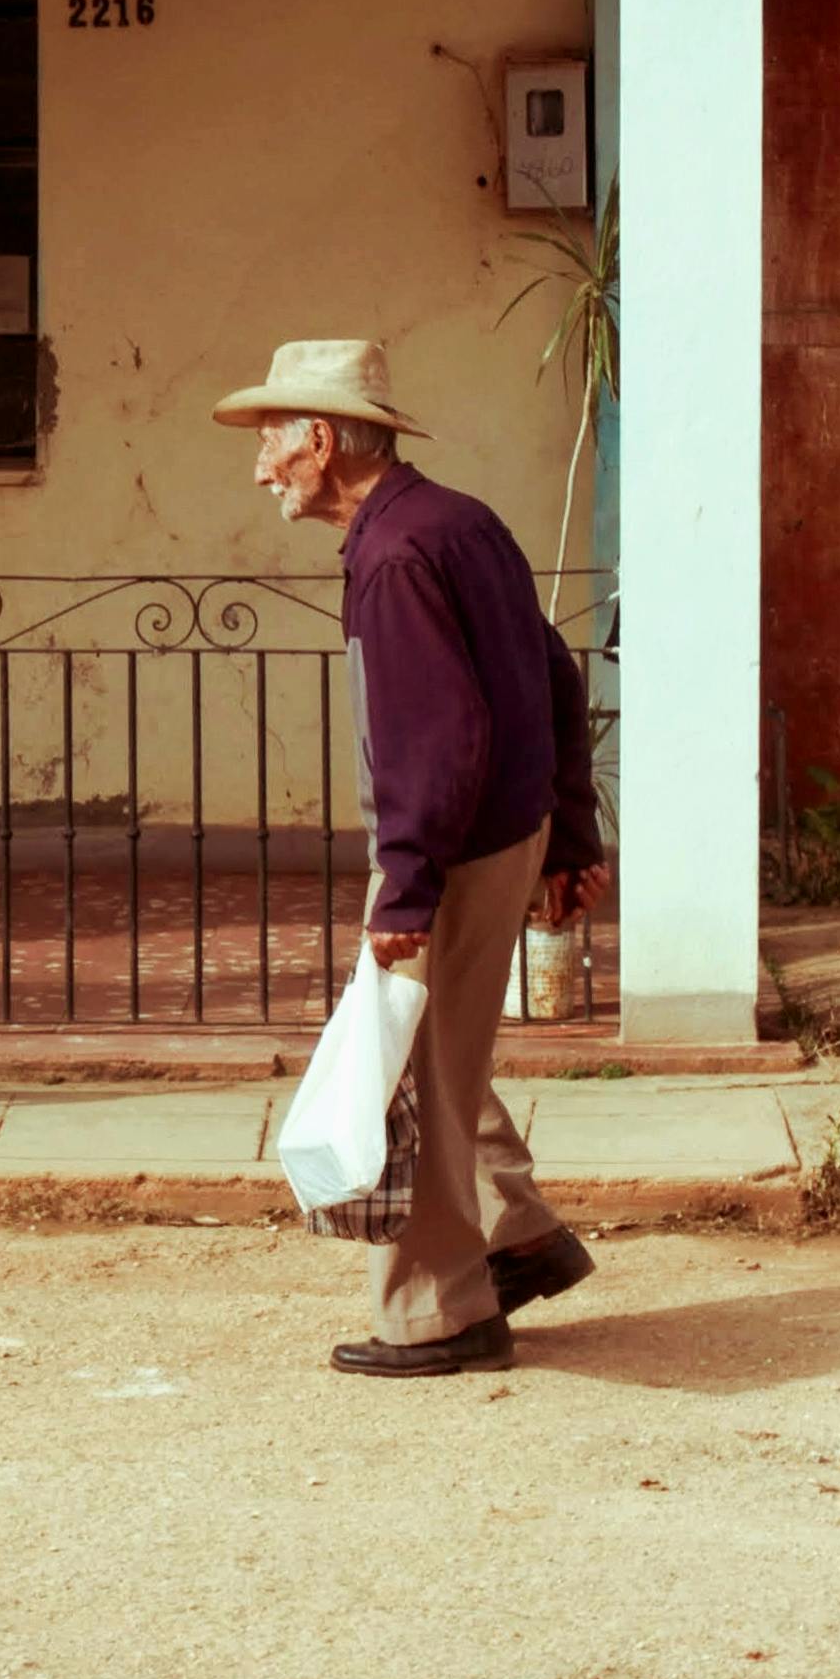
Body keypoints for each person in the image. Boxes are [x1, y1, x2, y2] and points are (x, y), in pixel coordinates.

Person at [214, 338, 610, 1376]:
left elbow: (435, 740)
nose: (260, 467)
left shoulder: (394, 556)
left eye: (270, 440)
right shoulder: (454, 520)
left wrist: (407, 883)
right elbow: (553, 673)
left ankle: (439, 1311)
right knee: (437, 1050)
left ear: (319, 437)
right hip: (503, 833)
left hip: (459, 846)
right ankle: (516, 1229)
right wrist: (568, 830)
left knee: (417, 1071)